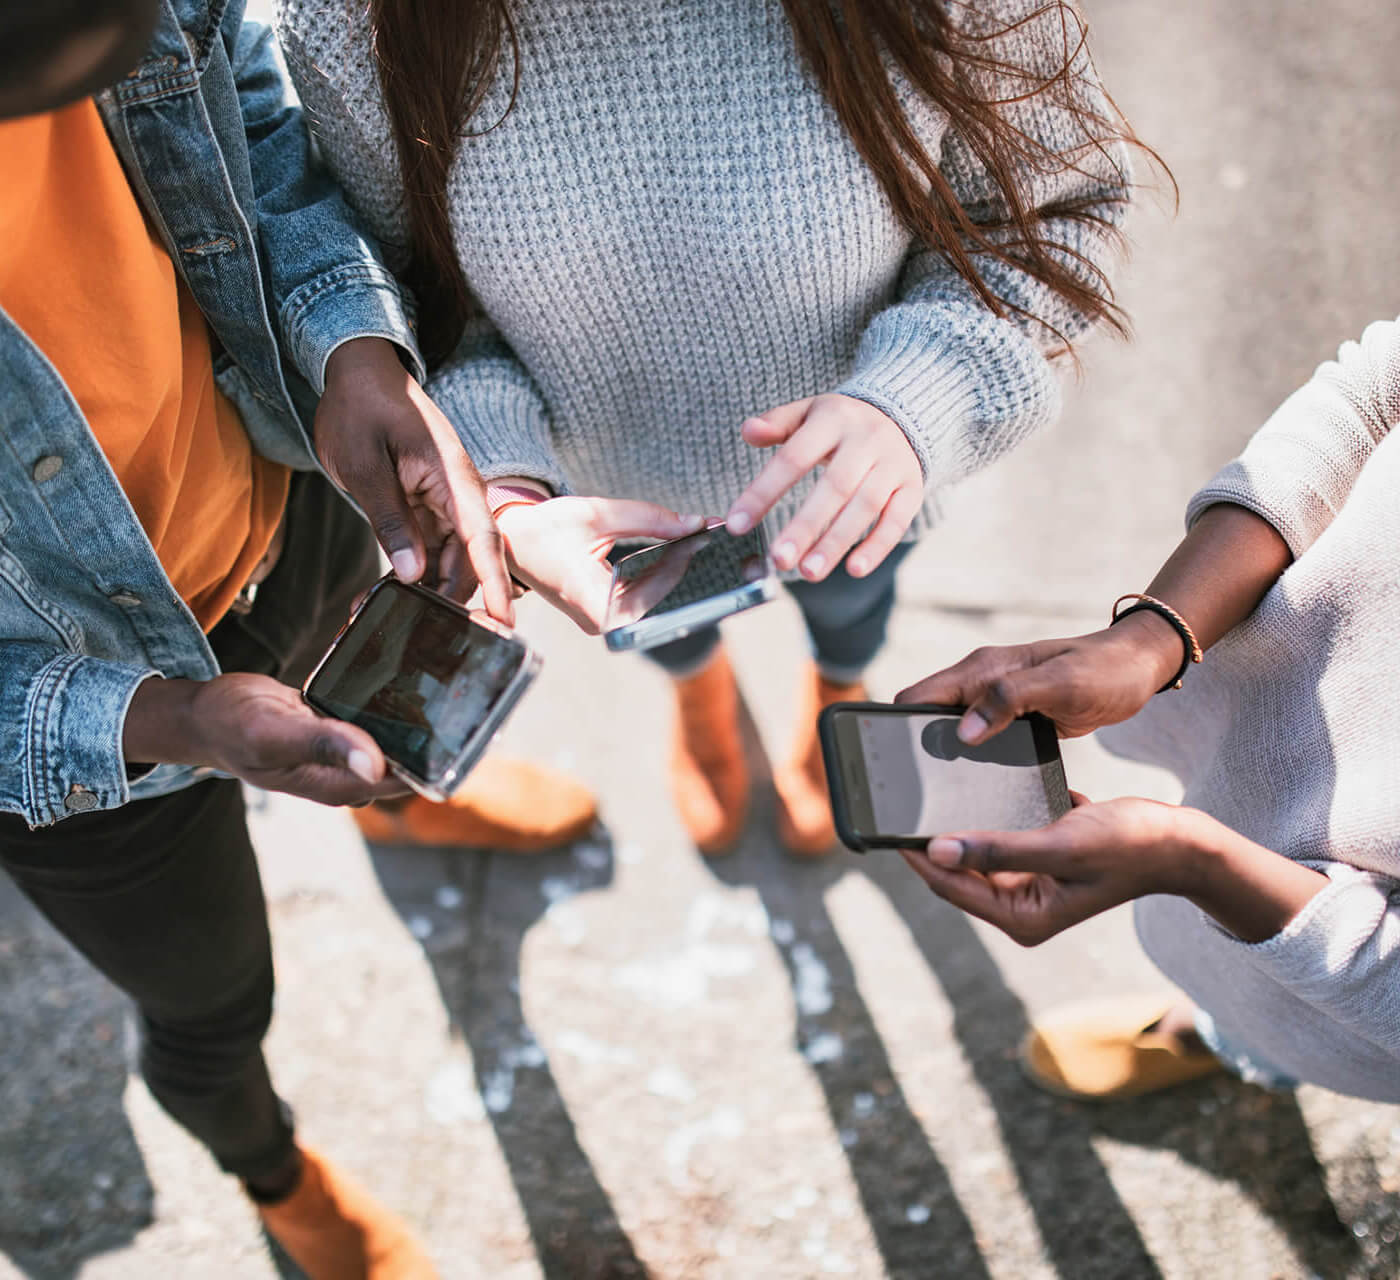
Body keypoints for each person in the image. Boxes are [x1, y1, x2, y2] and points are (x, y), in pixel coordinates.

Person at [275, 0, 1141, 857]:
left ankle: (838, 694)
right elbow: (420, 309)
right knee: (664, 623)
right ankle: (703, 696)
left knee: (853, 604)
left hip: (859, 482)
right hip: (608, 497)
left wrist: (918, 399)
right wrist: (500, 481)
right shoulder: (350, 21)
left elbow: (1053, 213)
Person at [0, 2, 578, 1273]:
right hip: (97, 727)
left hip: (276, 491)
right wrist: (173, 720)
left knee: (367, 692)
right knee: (213, 1002)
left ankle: (404, 790)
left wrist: (351, 346)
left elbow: (248, 115)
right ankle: (274, 1171)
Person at [896, 316, 1400, 1104]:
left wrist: (1187, 859)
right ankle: (1215, 1024)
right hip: (1257, 694)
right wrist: (1156, 636)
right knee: (1232, 965)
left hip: (1348, 995)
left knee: (1286, 1016)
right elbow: (1377, 386)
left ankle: (1235, 1042)